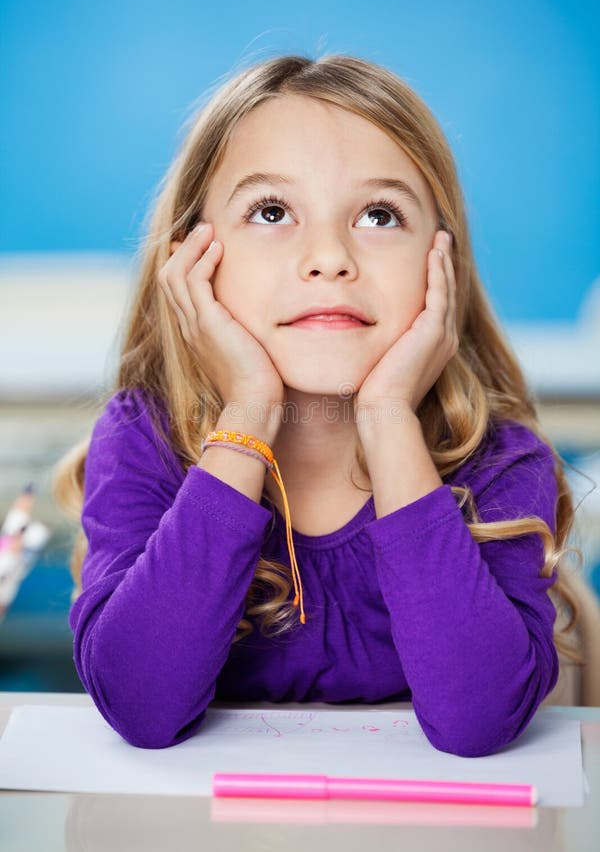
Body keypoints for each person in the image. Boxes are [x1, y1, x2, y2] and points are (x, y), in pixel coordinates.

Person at [52, 53, 584, 756]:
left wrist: (390, 415)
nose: (329, 257)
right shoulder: (143, 439)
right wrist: (248, 410)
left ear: (442, 264)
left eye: (378, 214)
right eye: (271, 211)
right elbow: (142, 708)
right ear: (191, 262)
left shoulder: (501, 459)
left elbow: (479, 722)